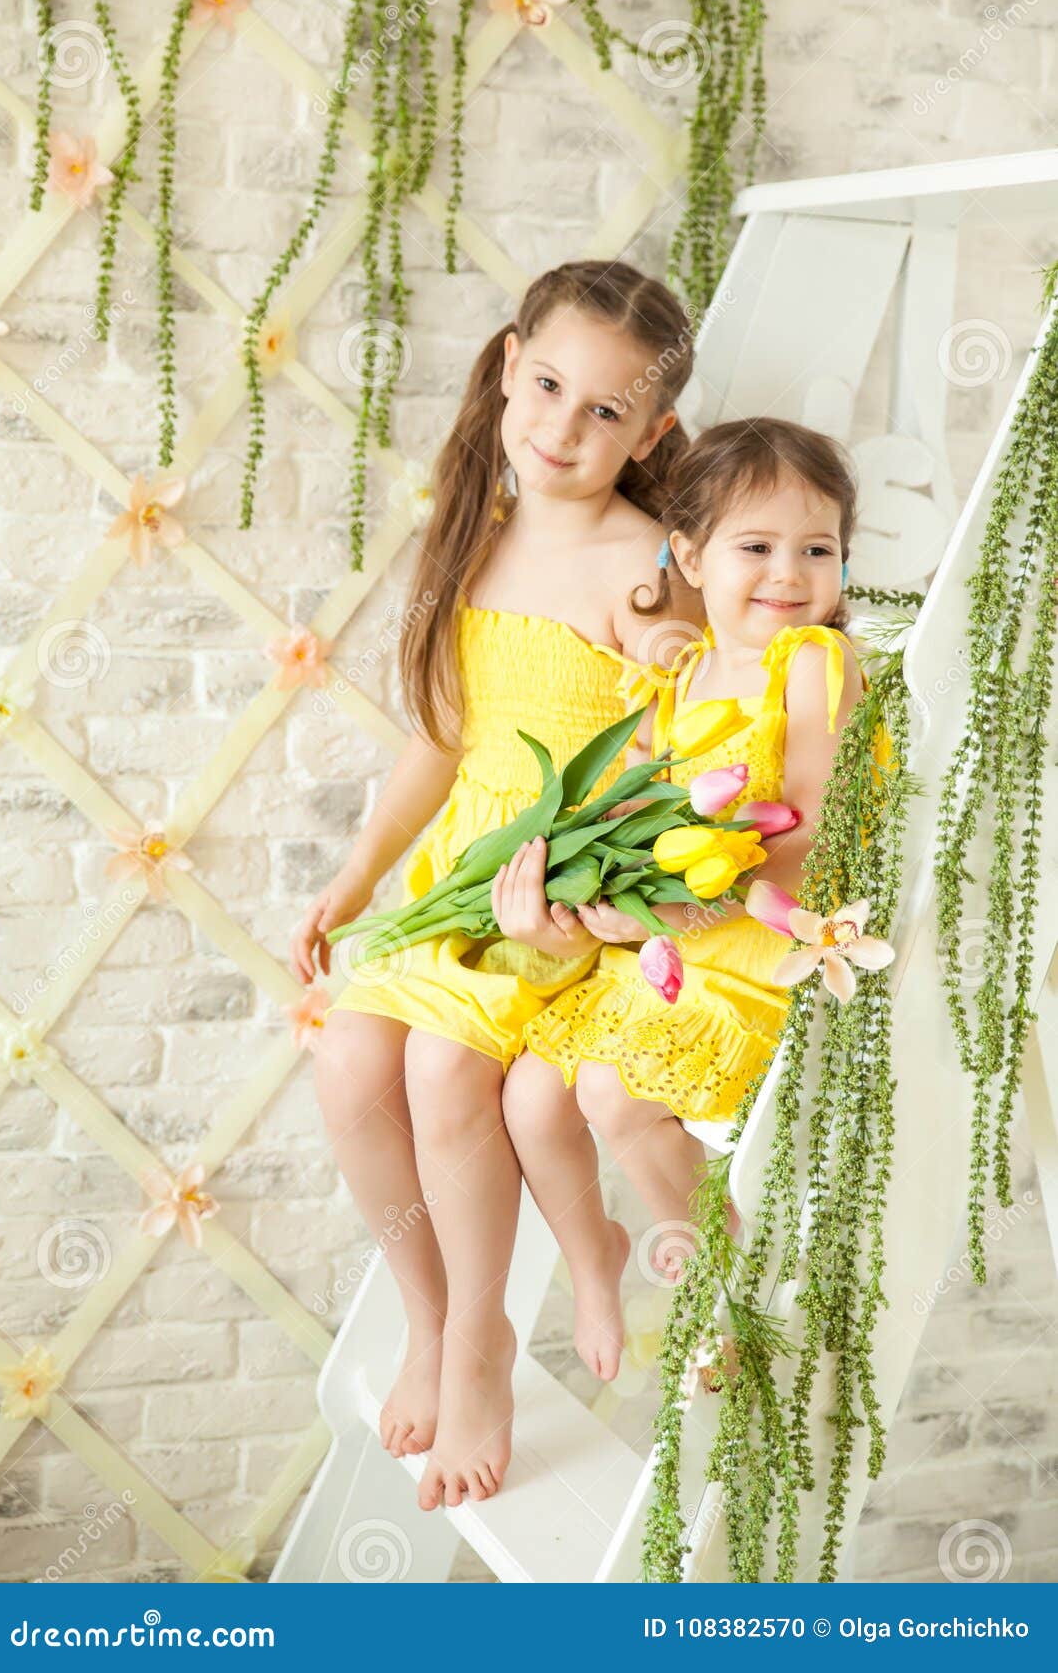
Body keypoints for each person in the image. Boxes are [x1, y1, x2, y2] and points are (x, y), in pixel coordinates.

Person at [290, 260, 700, 1509]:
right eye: (548, 386)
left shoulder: (650, 566)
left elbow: (680, 772)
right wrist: (357, 874)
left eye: (604, 411)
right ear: (510, 362)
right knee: (345, 1059)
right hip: (466, 871)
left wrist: (595, 905)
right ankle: (428, 1312)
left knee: (439, 1065)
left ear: (652, 433)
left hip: (563, 891)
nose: (562, 428)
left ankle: (479, 1340)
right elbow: (445, 739)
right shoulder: (478, 537)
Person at [497, 417, 890, 1383]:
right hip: (682, 939)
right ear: (689, 556)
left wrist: (676, 911)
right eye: (755, 548)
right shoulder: (678, 679)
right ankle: (596, 1268)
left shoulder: (813, 663)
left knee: (607, 1088)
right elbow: (636, 821)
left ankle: (729, 1286)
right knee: (531, 1097)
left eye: (816, 550)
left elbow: (805, 839)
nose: (787, 574)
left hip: (772, 940)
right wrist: (602, 896)